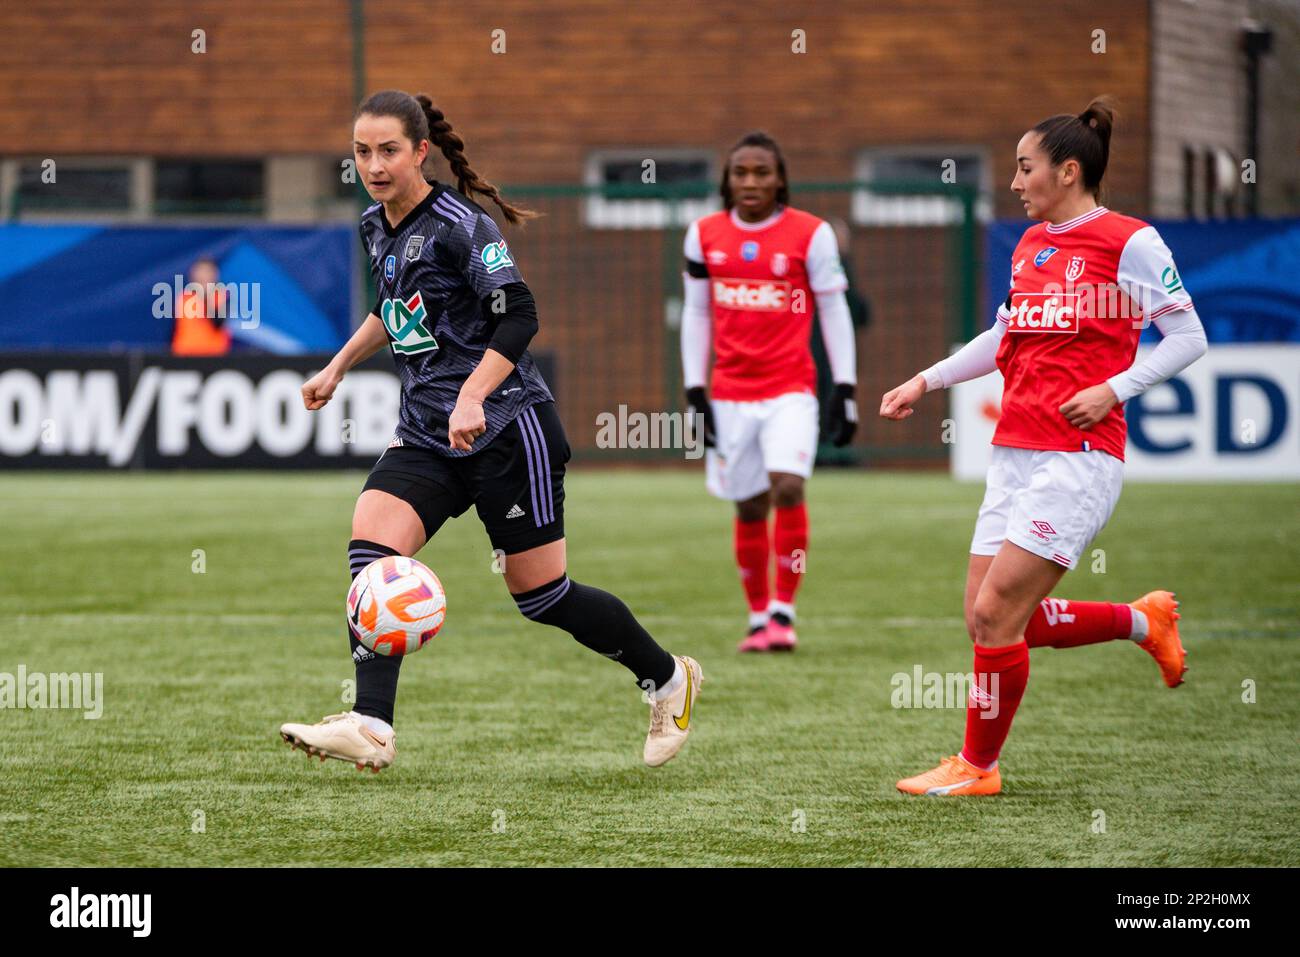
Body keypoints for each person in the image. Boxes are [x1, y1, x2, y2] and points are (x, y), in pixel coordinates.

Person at [280, 90, 702, 772]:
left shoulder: (459, 223)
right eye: (362, 151)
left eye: (389, 150)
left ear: (421, 151)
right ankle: (372, 723)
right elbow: (396, 312)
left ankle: (668, 678)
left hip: (507, 427)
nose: (374, 165)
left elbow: (519, 314)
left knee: (544, 597)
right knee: (374, 550)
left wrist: (474, 394)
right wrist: (335, 368)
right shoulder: (373, 224)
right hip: (426, 433)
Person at [879, 97, 1207, 796]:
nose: (1015, 181)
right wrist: (926, 380)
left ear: (1067, 171)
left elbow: (1188, 337)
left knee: (999, 615)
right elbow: (1006, 335)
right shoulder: (1031, 245)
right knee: (987, 620)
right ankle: (1140, 620)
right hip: (1015, 449)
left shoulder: (1130, 241)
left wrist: (1116, 389)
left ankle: (978, 766)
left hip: (1078, 455)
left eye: (1024, 168)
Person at [680, 131, 859, 653]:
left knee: (788, 486)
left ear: (780, 179)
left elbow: (833, 309)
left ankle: (784, 609)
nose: (752, 181)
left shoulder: (812, 234)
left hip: (791, 389)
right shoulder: (704, 235)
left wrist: (844, 387)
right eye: (741, 173)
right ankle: (758, 618)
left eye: (762, 172)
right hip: (730, 392)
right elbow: (695, 311)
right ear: (727, 181)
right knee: (751, 503)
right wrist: (695, 389)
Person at [171, 257, 230, 356]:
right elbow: (175, 328)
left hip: (214, 354)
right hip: (185, 354)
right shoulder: (184, 297)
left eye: (207, 272)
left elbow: (218, 323)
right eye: (200, 271)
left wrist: (206, 296)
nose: (203, 276)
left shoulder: (221, 297)